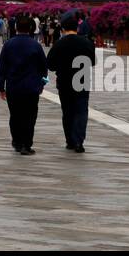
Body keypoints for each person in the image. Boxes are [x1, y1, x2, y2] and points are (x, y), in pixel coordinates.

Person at [0, 18, 48, 155]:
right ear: (30, 29)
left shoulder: (8, 44)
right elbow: (44, 67)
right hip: (31, 88)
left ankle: (17, 142)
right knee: (30, 117)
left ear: (15, 28)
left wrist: (1, 87)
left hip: (13, 87)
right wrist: (42, 84)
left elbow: (1, 67)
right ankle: (26, 145)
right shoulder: (35, 45)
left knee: (15, 115)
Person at [46, 11, 94, 153]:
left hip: (64, 82)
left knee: (67, 112)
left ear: (63, 29)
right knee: (81, 111)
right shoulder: (86, 42)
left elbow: (50, 64)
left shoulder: (59, 44)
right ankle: (79, 141)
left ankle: (70, 141)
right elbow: (93, 61)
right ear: (77, 28)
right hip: (82, 80)